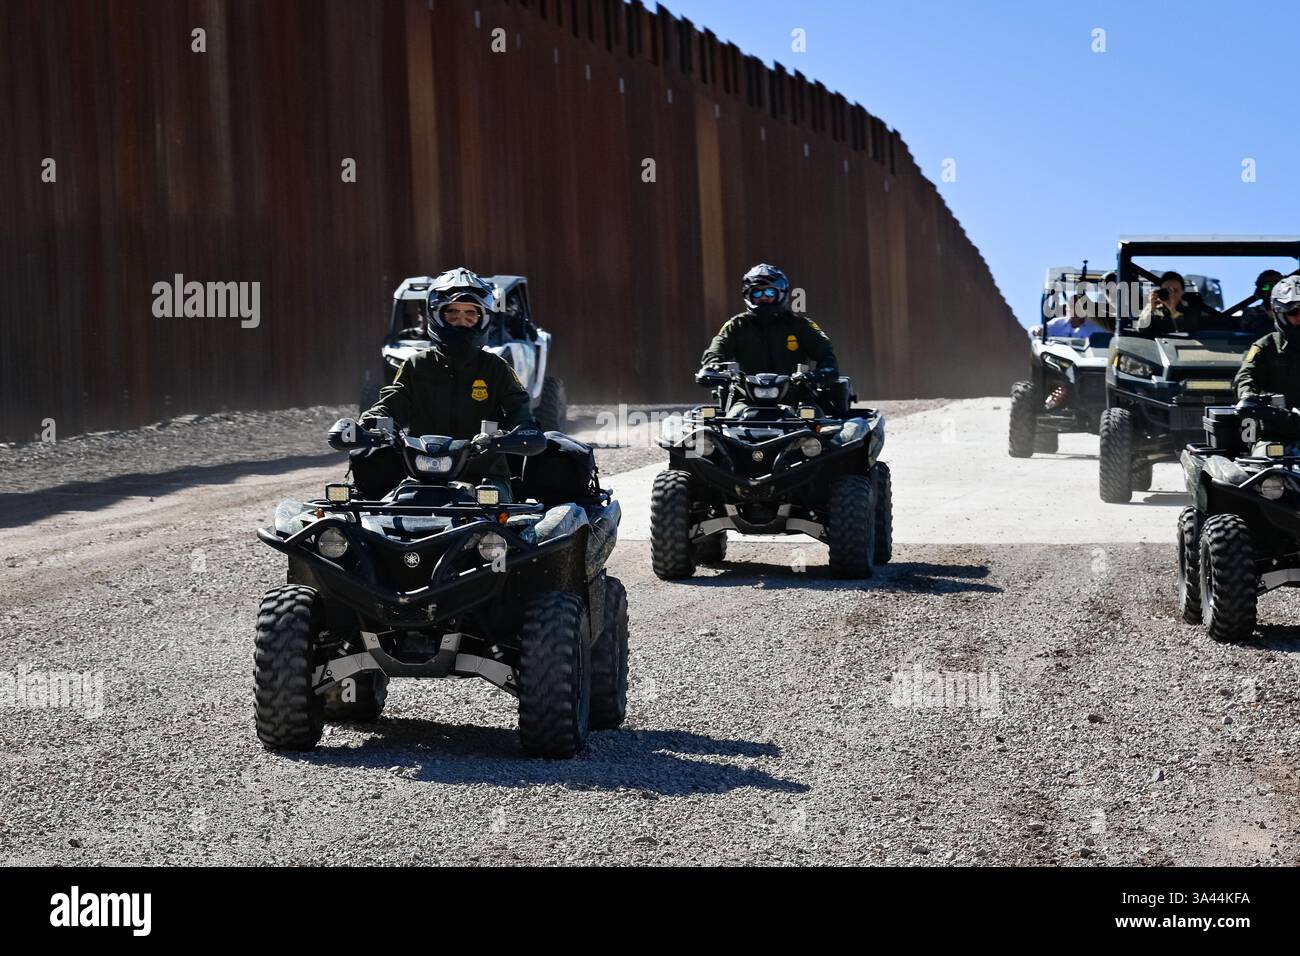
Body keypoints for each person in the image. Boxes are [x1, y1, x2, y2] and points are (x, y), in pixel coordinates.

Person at [358, 267, 538, 499]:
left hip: (486, 480)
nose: (461, 321)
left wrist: (524, 433)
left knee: (499, 527)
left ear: (483, 319)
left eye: (470, 314)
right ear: (436, 316)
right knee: (383, 517)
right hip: (422, 477)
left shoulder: (496, 367)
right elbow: (391, 404)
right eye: (451, 313)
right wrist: (367, 423)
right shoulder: (416, 365)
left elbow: (521, 414)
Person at [702, 263, 839, 374]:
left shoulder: (800, 325)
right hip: (746, 398)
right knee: (734, 410)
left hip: (796, 396)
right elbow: (716, 350)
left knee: (813, 409)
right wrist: (713, 366)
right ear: (749, 296)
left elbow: (825, 352)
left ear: (780, 293)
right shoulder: (737, 325)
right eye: (757, 292)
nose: (763, 297)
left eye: (769, 292)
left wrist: (826, 368)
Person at [1233, 275, 1300, 408]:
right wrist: (1248, 396)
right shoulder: (1266, 345)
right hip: (1281, 422)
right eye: (1293, 311)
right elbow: (1246, 376)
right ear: (1280, 313)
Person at [1135, 271, 1193, 335]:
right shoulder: (1154, 305)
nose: (1171, 294)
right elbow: (1141, 330)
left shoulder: (1190, 308)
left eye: (1175, 290)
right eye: (1166, 290)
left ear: (1182, 292)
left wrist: (1173, 310)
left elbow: (1188, 333)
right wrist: (1151, 309)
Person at [1240, 269, 1284, 336]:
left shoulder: (1293, 311)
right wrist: (1267, 317)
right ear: (1259, 291)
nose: (1271, 291)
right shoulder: (1252, 312)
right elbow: (1247, 329)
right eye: (1266, 287)